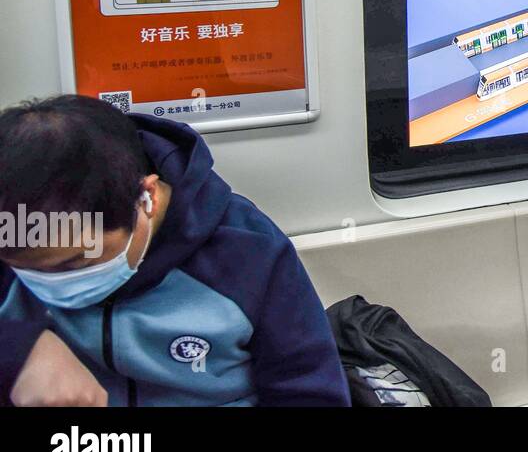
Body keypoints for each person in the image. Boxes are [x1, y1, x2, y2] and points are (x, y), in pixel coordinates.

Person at [0, 95, 349, 406]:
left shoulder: (249, 252)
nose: (54, 285)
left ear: (146, 199)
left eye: (77, 261)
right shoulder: (13, 230)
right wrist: (22, 348)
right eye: (28, 270)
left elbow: (309, 388)